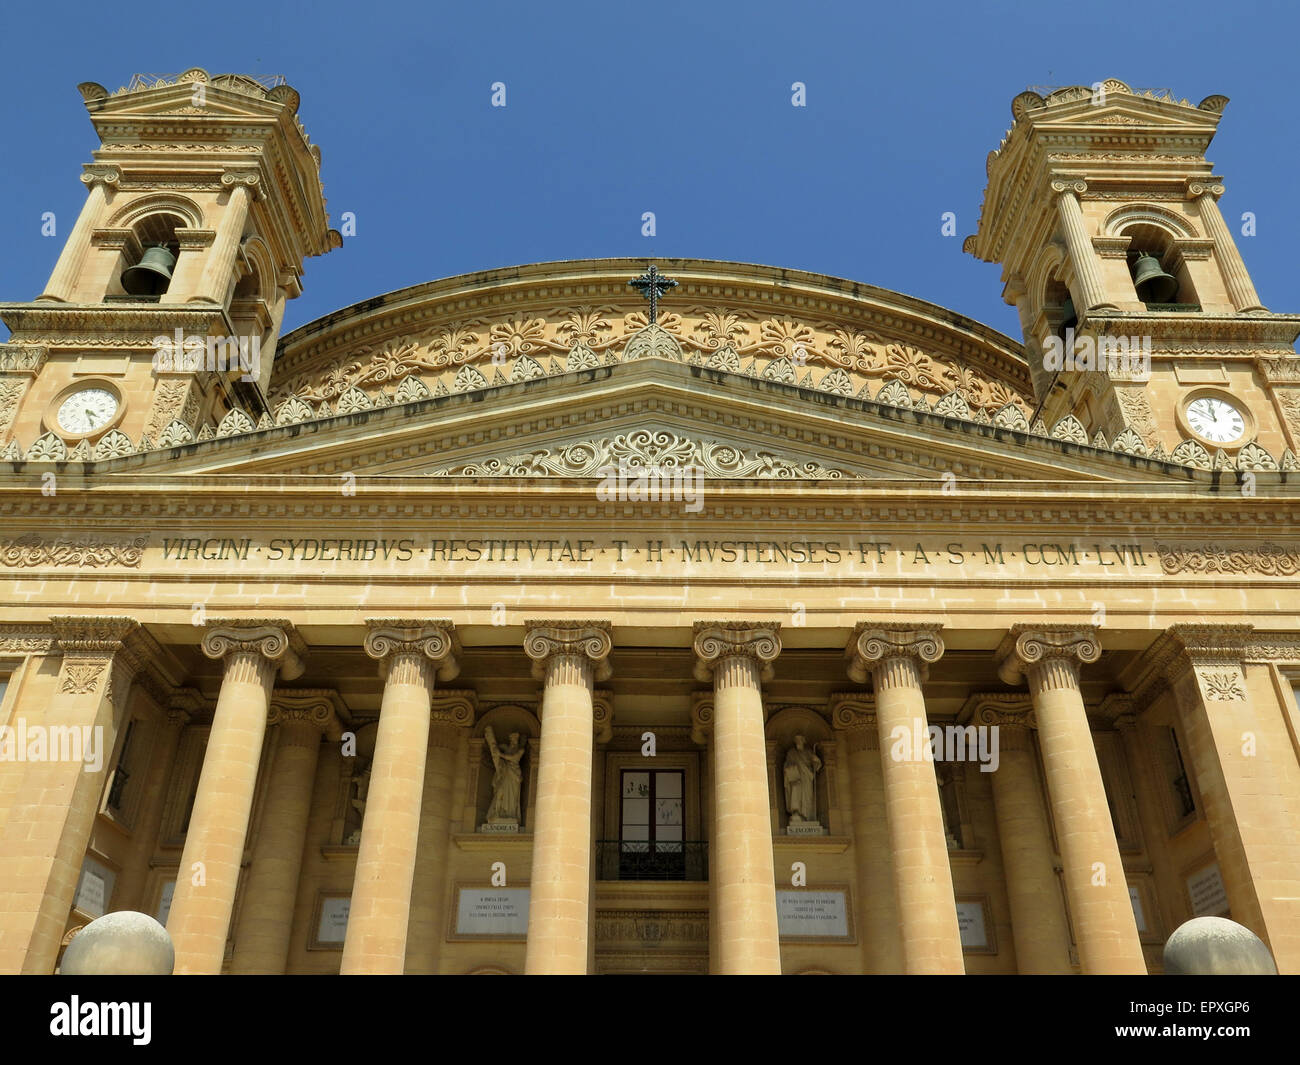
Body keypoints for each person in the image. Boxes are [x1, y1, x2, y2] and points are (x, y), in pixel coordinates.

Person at [484, 726, 525, 823]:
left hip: (514, 775)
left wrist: (500, 754)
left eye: (515, 739)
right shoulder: (505, 748)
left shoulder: (520, 750)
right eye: (512, 739)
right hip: (505, 772)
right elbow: (495, 750)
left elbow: (514, 757)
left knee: (512, 795)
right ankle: (498, 812)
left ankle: (511, 814)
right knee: (500, 791)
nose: (514, 741)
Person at [783, 734, 822, 823]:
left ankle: (807, 815)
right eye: (796, 740)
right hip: (795, 778)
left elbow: (817, 763)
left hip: (807, 777)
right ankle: (796, 813)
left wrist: (816, 761)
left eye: (800, 740)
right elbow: (787, 764)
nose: (798, 742)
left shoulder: (809, 752)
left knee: (807, 795)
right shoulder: (791, 752)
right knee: (795, 793)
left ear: (803, 741)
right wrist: (790, 770)